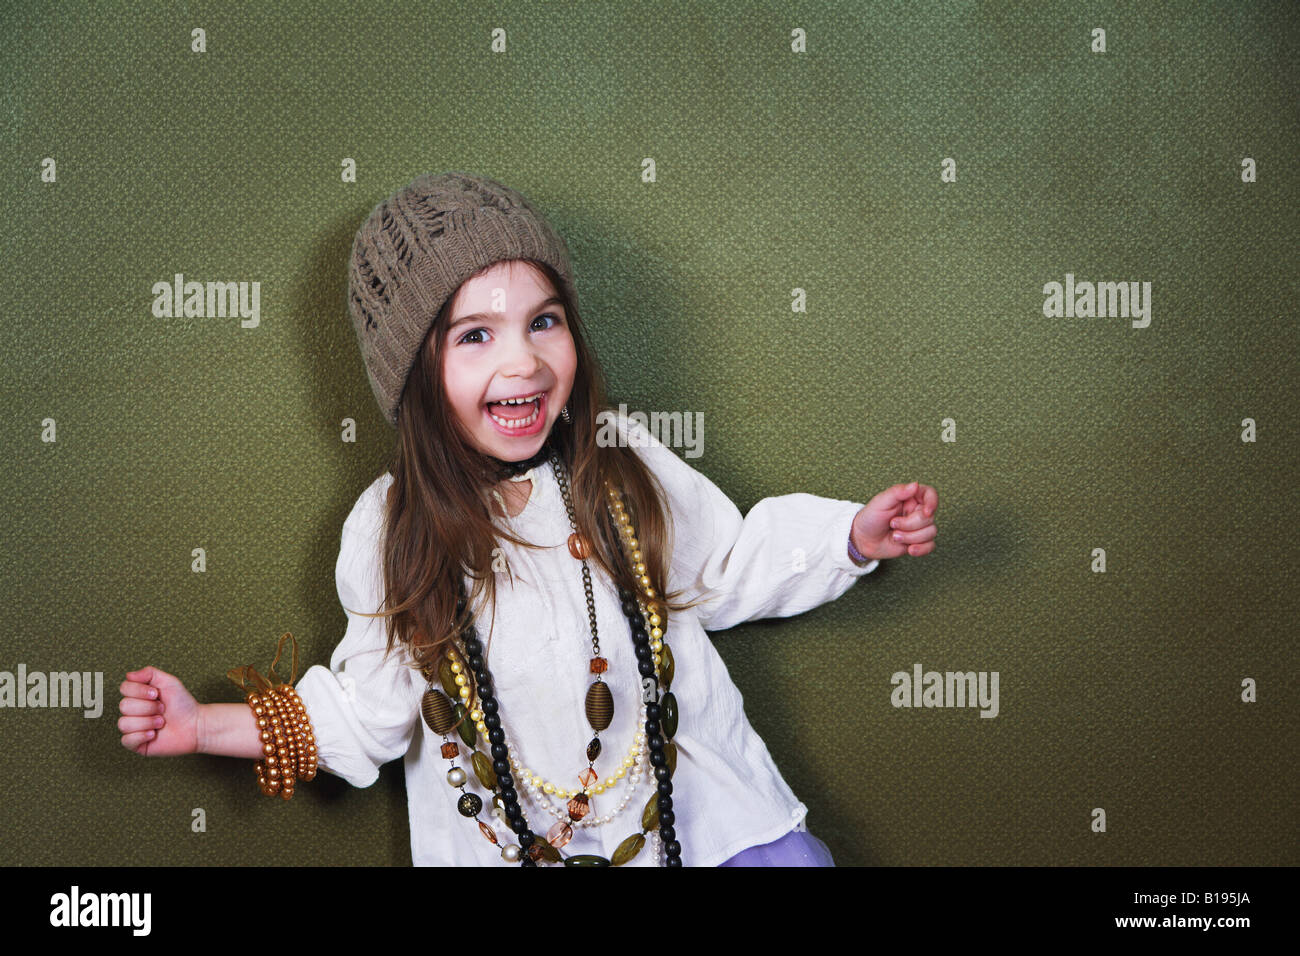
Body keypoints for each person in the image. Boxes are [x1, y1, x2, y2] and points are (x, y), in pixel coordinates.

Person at [118, 171, 939, 866]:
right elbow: (364, 715)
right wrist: (202, 728)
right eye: (476, 335)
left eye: (544, 321)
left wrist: (851, 537)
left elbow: (725, 567)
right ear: (414, 375)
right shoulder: (393, 529)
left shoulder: (616, 463)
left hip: (713, 833)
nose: (525, 360)